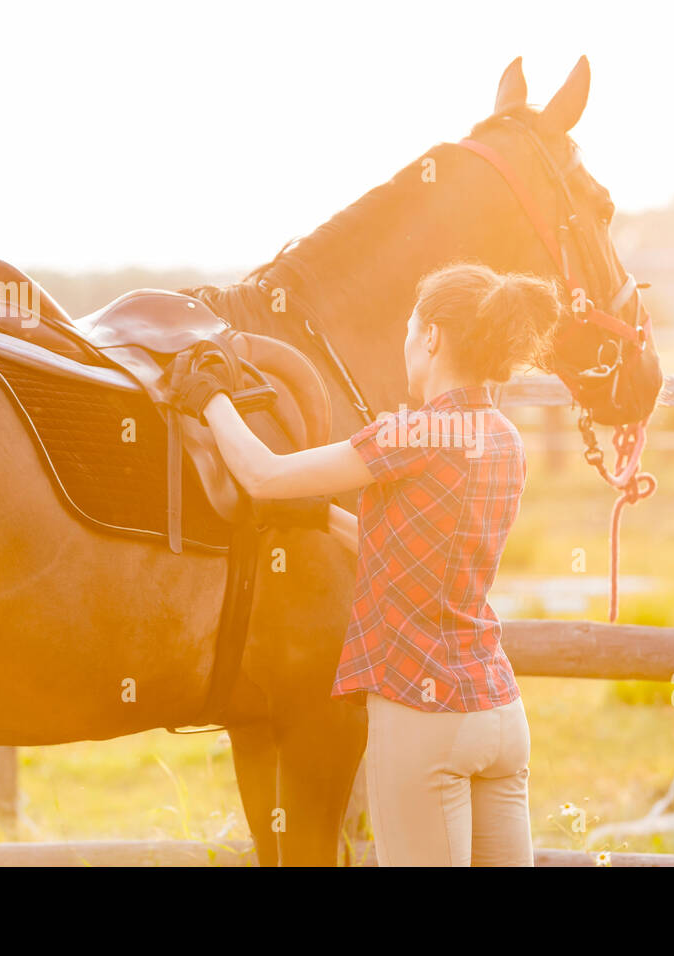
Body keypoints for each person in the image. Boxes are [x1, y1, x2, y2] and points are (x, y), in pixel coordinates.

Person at [166, 261, 562, 866]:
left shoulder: (412, 433)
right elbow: (414, 549)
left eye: (410, 329)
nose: (406, 343)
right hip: (498, 711)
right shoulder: (504, 438)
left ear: (431, 336)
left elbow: (262, 473)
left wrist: (212, 397)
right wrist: (321, 517)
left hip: (423, 713)